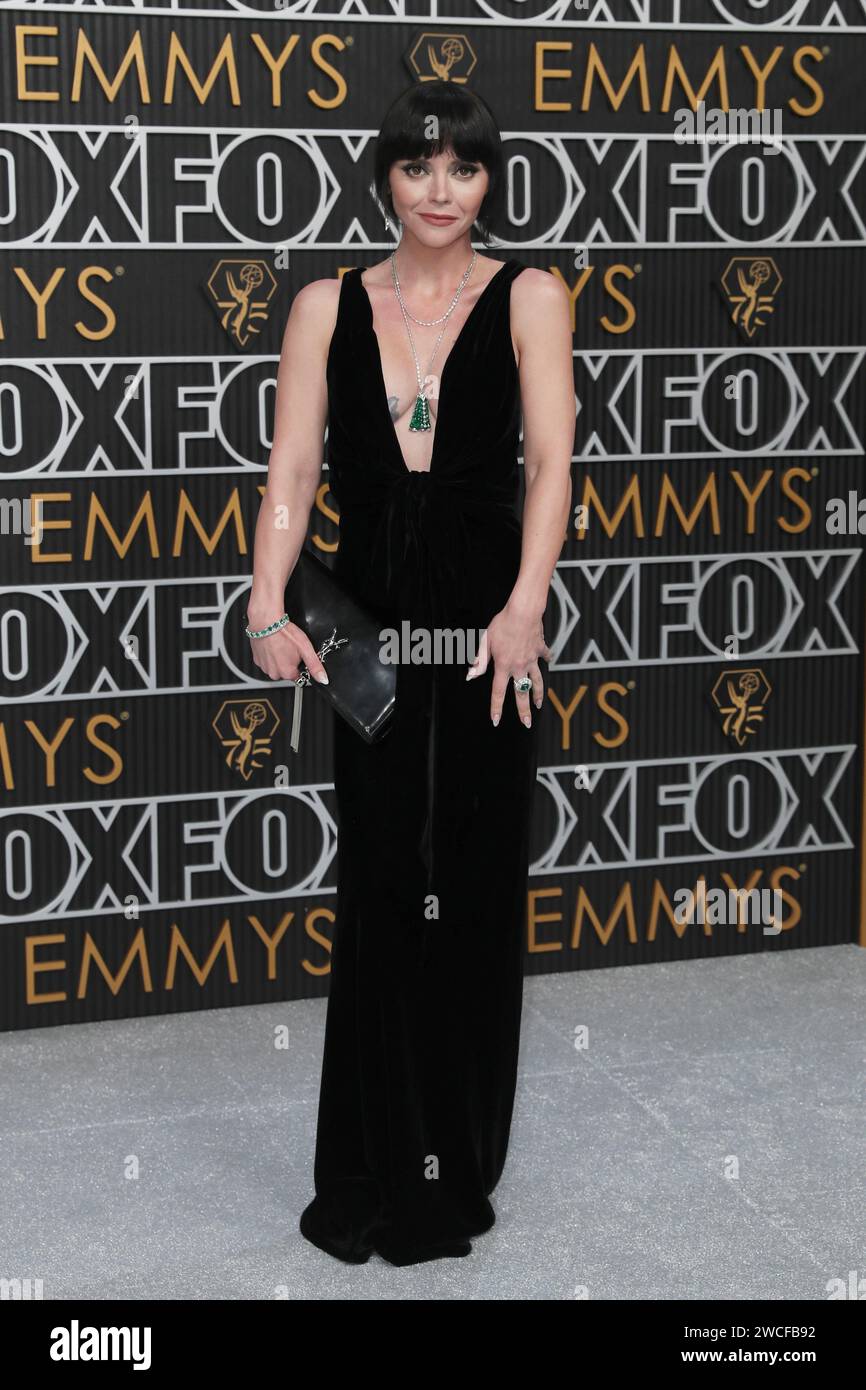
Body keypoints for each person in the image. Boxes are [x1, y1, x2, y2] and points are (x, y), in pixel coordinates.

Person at [247, 79, 574, 1266]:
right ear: (384, 176)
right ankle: (376, 1165)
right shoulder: (325, 305)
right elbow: (291, 467)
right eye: (419, 168)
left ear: (488, 182)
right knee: (385, 881)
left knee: (475, 876)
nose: (442, 192)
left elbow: (549, 466)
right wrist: (263, 595)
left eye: (466, 170)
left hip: (491, 631)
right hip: (368, 634)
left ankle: (455, 1158)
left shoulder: (532, 295)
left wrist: (526, 603)